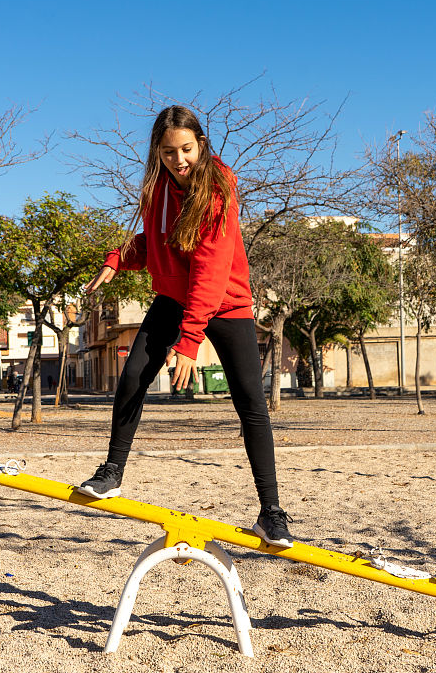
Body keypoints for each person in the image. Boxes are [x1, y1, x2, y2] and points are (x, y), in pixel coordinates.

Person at [77, 105, 294, 548]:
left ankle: (270, 513)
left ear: (201, 144)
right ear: (158, 151)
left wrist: (190, 340)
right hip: (175, 298)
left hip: (226, 301)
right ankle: (112, 471)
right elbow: (156, 243)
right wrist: (117, 260)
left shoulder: (217, 190)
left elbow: (211, 270)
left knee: (251, 401)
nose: (179, 160)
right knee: (133, 375)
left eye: (187, 149)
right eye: (169, 151)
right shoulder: (156, 190)